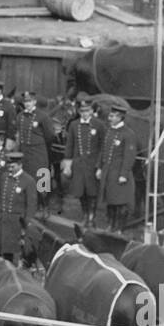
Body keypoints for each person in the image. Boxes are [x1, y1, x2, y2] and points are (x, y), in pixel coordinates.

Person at [96, 95, 139, 232]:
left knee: (120, 203)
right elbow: (103, 151)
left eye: (113, 116)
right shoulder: (109, 131)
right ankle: (111, 224)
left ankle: (119, 228)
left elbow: (129, 156)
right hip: (108, 173)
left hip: (119, 174)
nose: (110, 119)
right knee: (110, 201)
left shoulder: (128, 134)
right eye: (110, 116)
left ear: (120, 117)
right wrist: (99, 167)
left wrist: (124, 174)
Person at [62, 93, 105, 228]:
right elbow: (70, 145)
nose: (84, 114)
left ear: (92, 111)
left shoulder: (99, 125)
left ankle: (92, 216)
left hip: (92, 165)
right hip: (79, 164)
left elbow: (103, 146)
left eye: (87, 111)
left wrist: (100, 166)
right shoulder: (74, 125)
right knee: (81, 192)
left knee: (92, 192)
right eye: (82, 111)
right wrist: (68, 165)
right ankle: (85, 214)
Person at [12, 91, 56, 217]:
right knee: (28, 179)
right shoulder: (20, 116)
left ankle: (45, 206)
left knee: (42, 180)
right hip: (25, 153)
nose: (27, 104)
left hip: (39, 152)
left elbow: (50, 135)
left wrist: (40, 144)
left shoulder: (42, 117)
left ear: (34, 102)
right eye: (25, 102)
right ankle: (32, 207)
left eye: (30, 101)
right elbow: (18, 134)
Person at [0, 152, 37, 264]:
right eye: (9, 166)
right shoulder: (4, 177)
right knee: (4, 250)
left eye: (13, 166)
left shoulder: (28, 181)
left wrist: (27, 223)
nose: (10, 169)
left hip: (17, 222)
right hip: (4, 219)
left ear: (20, 165)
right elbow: (0, 198)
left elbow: (31, 205)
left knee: (17, 251)